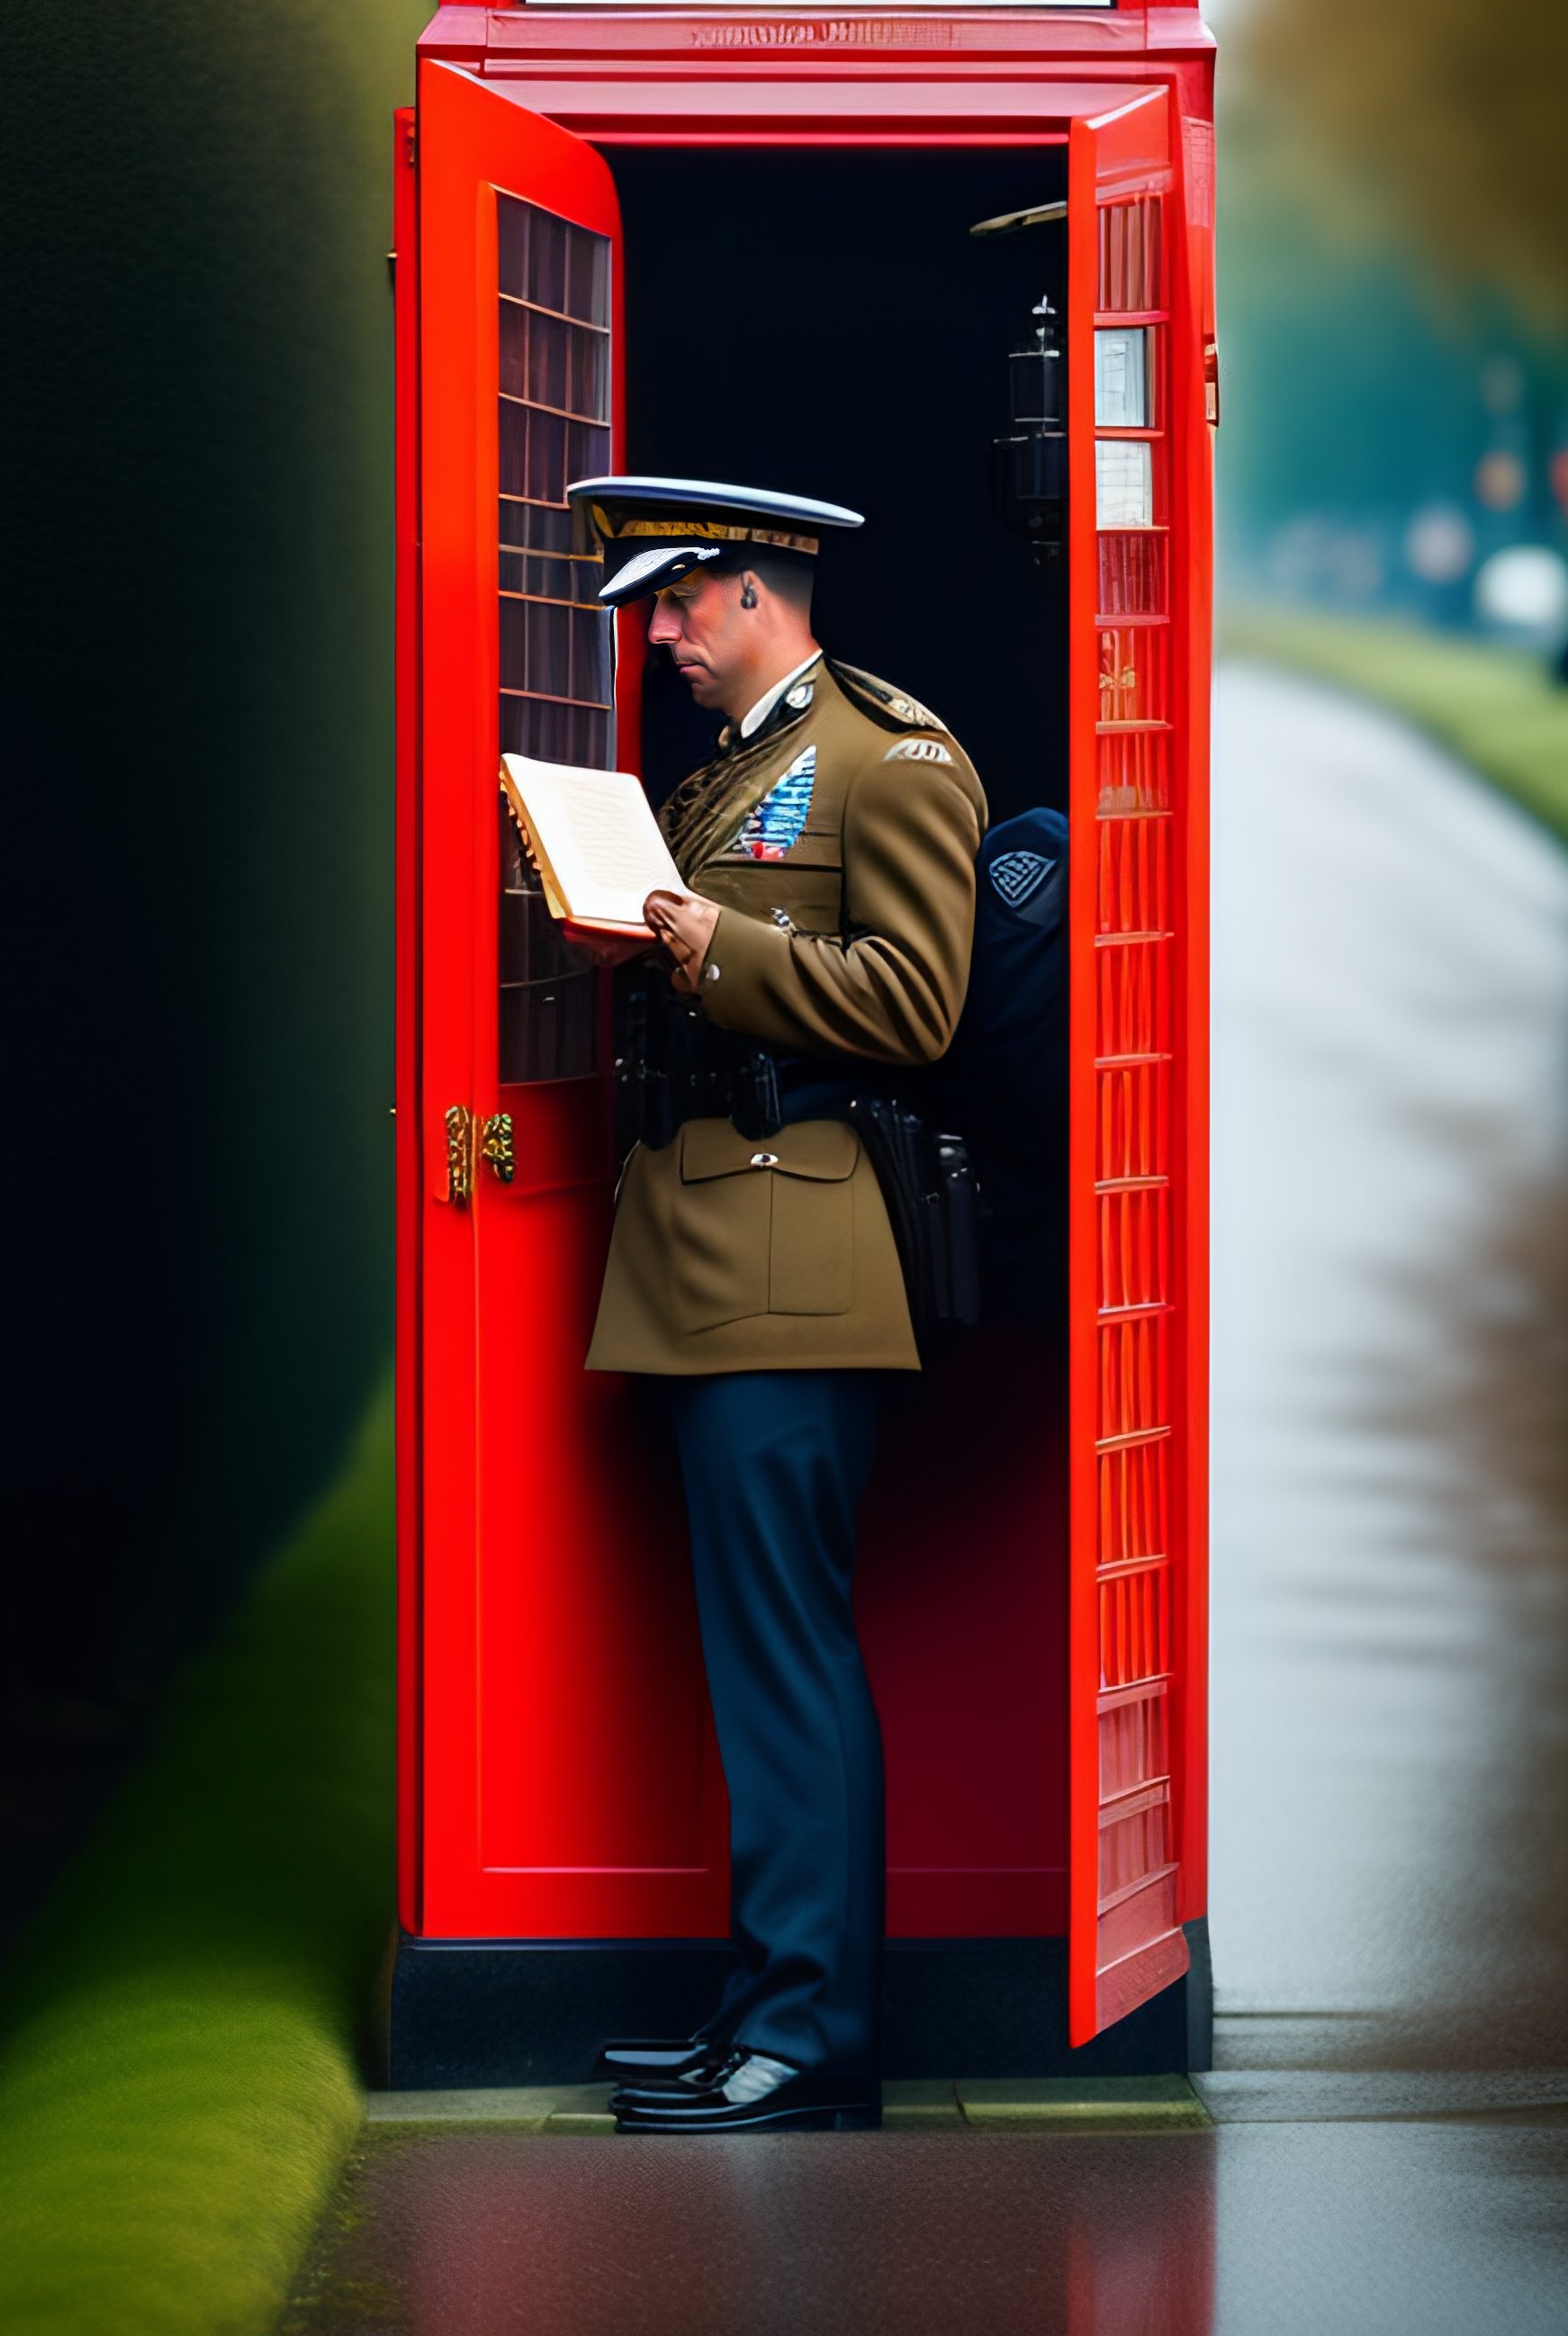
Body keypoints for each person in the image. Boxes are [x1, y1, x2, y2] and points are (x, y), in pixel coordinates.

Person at [570, 475, 987, 2134]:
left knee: (789, 1660)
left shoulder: (894, 760)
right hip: (716, 1260)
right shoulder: (737, 767)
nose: (660, 634)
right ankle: (765, 2000)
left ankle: (813, 2040)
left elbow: (918, 1002)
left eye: (682, 601)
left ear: (764, 592)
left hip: (794, 1261)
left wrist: (703, 942)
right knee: (761, 1661)